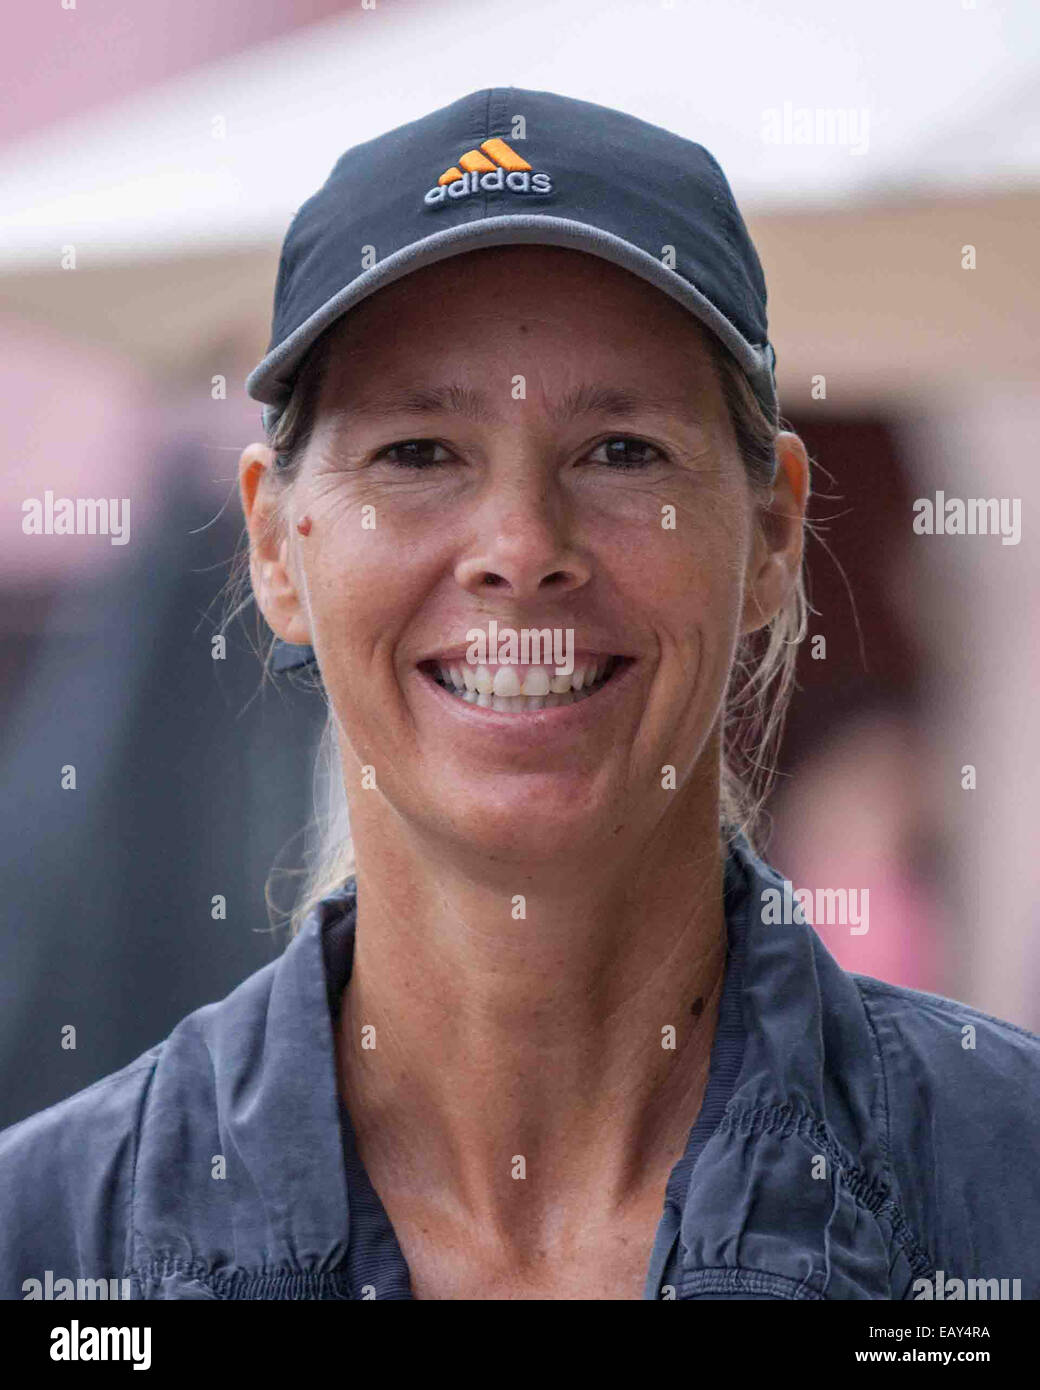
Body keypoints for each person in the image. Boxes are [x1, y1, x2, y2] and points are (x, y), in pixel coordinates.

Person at [2, 87, 1038, 1302]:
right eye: (418, 452)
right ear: (277, 548)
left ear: (770, 532)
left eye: (620, 451)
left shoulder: (1001, 1195)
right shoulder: (55, 1248)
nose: (518, 543)